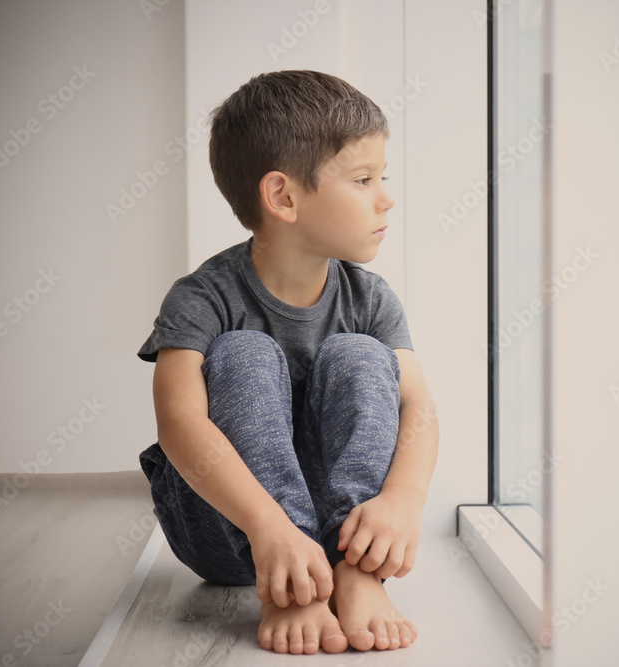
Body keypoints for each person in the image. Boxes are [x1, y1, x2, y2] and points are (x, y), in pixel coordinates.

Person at [136, 70, 438, 655]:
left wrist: (402, 500)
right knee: (242, 351)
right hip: (231, 532)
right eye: (363, 179)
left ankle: (354, 571)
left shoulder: (369, 298)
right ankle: (290, 587)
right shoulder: (202, 298)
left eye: (384, 177)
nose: (387, 196)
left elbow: (418, 404)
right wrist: (269, 527)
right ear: (283, 197)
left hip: (340, 532)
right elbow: (178, 422)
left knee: (362, 354)